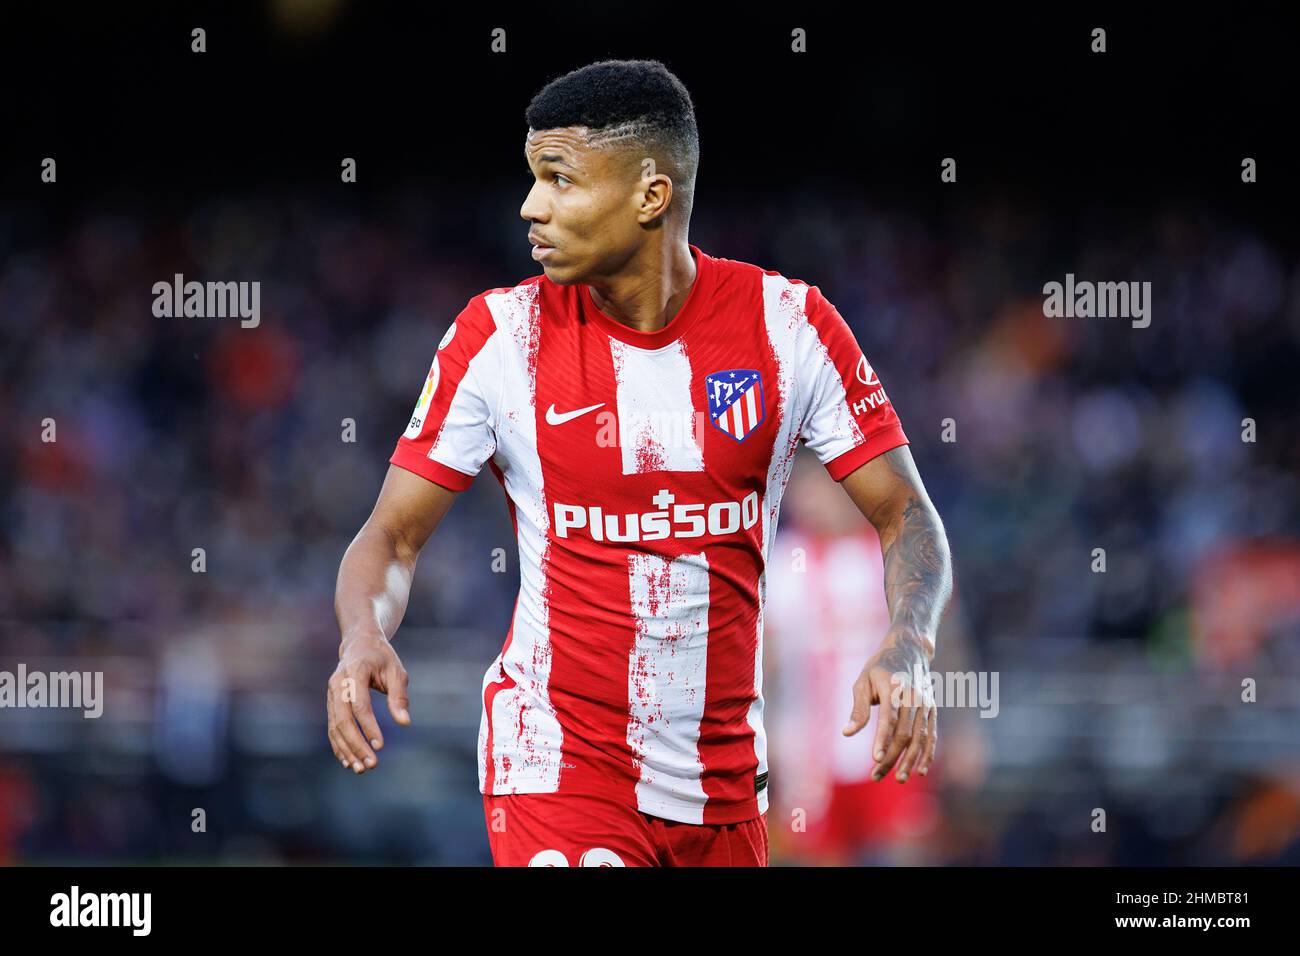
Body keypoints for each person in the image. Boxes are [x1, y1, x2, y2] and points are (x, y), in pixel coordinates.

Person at [328, 59, 953, 867]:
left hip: (725, 790)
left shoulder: (790, 327)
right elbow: (392, 536)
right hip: (558, 764)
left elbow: (906, 512)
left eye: (559, 179)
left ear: (650, 196)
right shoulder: (498, 339)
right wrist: (360, 636)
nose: (531, 206)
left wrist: (909, 640)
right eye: (532, 178)